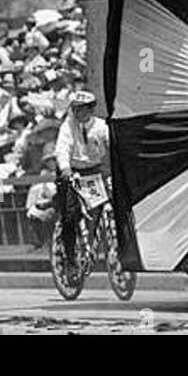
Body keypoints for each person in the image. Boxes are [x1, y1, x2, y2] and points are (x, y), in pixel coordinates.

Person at [53, 90, 110, 277]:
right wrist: (66, 170)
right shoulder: (67, 127)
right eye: (76, 109)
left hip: (93, 171)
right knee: (70, 215)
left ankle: (93, 248)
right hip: (72, 171)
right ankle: (70, 260)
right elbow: (62, 149)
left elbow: (113, 147)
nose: (79, 113)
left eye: (83, 109)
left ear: (91, 109)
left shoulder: (102, 127)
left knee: (98, 209)